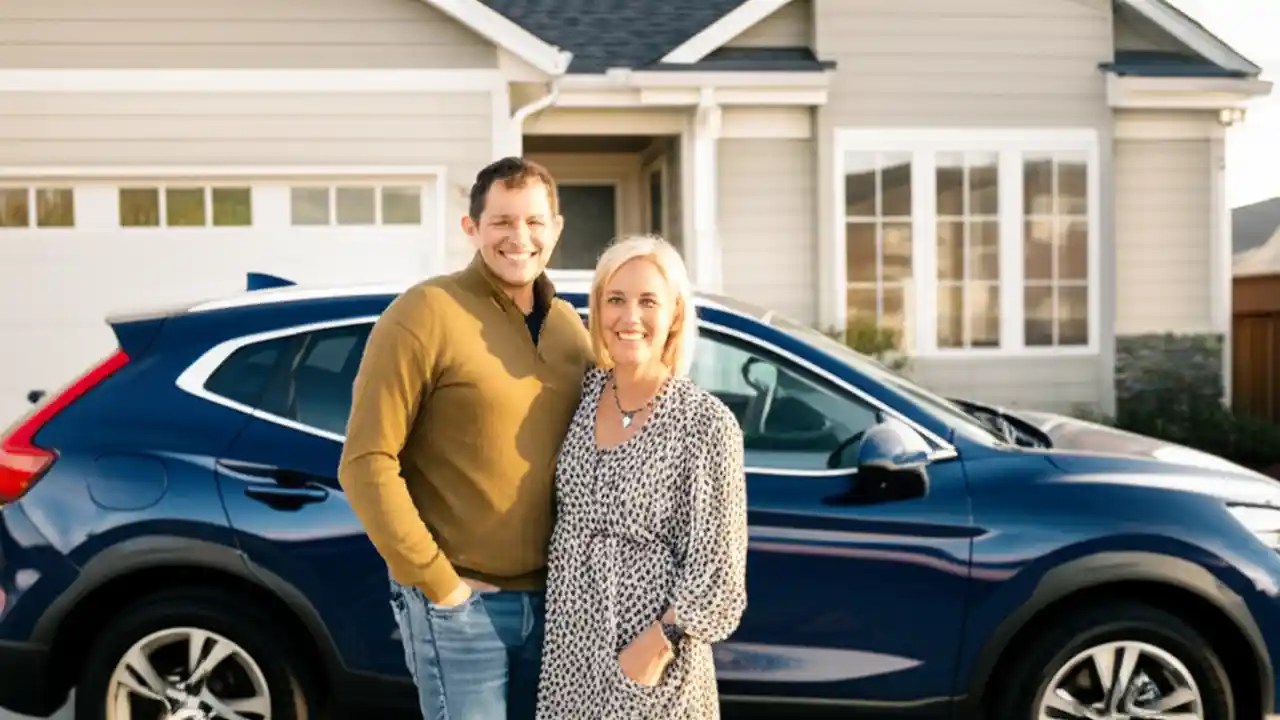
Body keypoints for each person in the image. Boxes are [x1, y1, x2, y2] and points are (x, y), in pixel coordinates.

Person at [337, 156, 594, 720]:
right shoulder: (425, 312)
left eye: (533, 221)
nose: (518, 238)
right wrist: (437, 584)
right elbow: (365, 461)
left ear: (557, 228)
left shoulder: (570, 330)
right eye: (501, 221)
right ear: (471, 228)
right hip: (463, 606)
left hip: (558, 608)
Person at [535, 235, 749, 719]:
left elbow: (720, 576)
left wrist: (656, 644)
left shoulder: (705, 424)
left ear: (674, 315)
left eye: (648, 301)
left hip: (651, 656)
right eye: (615, 300)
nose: (629, 318)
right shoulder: (580, 395)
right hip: (570, 653)